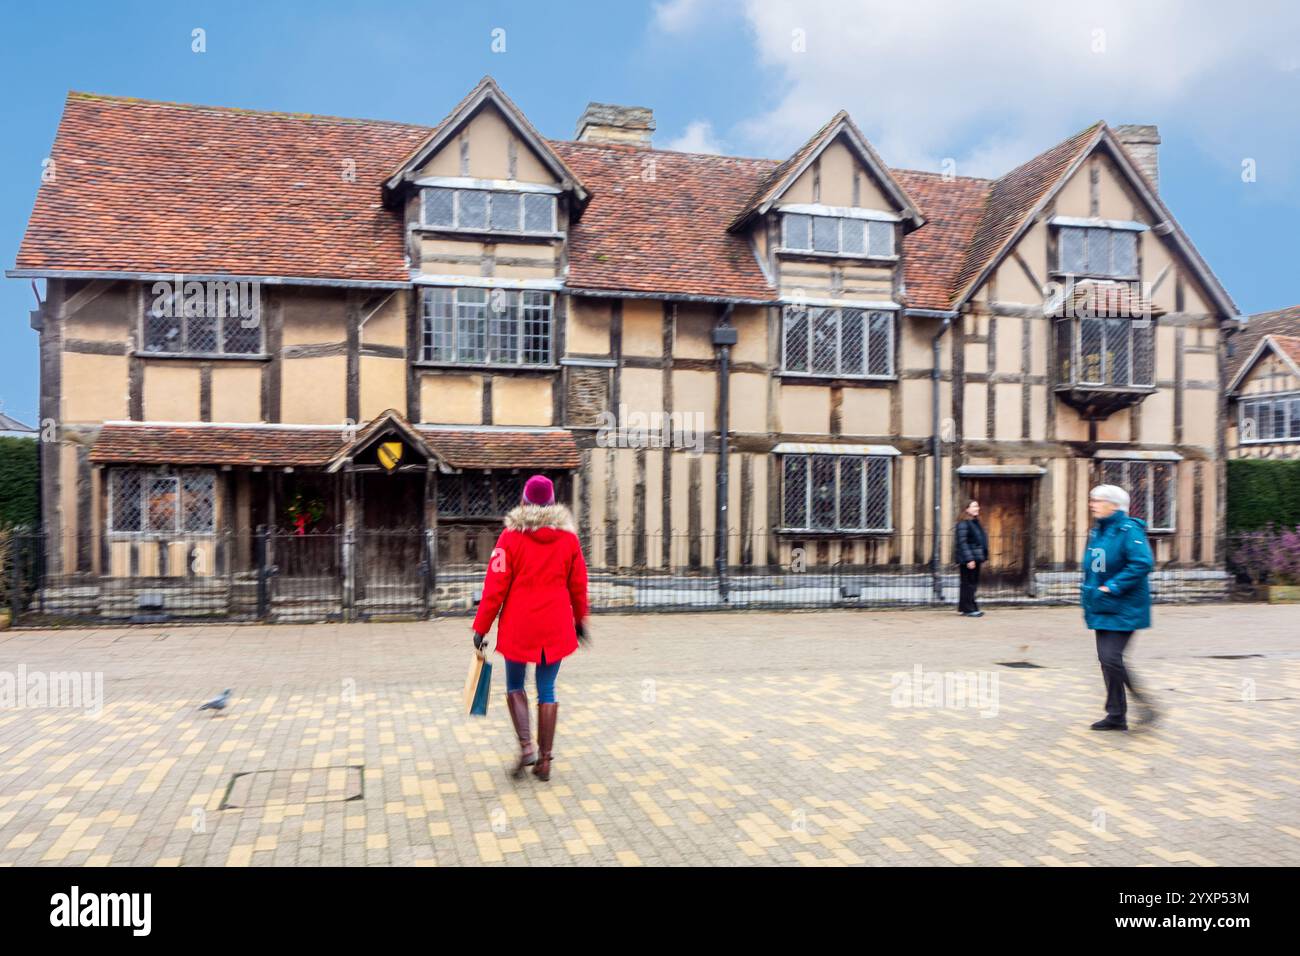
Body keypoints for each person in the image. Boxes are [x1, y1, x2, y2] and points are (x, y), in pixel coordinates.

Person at [472, 475, 589, 781]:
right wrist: (580, 621)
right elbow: (578, 585)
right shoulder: (569, 540)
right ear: (553, 505)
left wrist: (481, 627)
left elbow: (494, 587)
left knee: (514, 685)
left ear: (523, 502)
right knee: (547, 688)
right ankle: (546, 761)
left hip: (518, 626)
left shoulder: (510, 539)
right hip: (556, 625)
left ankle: (526, 747)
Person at [1080, 484, 1157, 732]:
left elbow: (1142, 562)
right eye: (1092, 500)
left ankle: (1145, 704)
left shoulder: (1128, 530)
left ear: (1114, 505)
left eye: (1098, 500)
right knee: (1106, 660)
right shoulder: (1098, 533)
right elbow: (1094, 567)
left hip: (1125, 605)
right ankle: (1116, 715)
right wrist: (1091, 591)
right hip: (1101, 604)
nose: (1093, 504)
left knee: (1111, 658)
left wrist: (1112, 586)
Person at [955, 500, 988, 617]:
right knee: (968, 584)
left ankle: (968, 607)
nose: (977, 508)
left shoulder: (975, 522)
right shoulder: (963, 524)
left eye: (977, 506)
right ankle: (969, 609)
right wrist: (969, 559)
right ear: (966, 509)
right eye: (974, 506)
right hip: (969, 559)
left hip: (975, 558)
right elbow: (962, 543)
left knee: (971, 583)